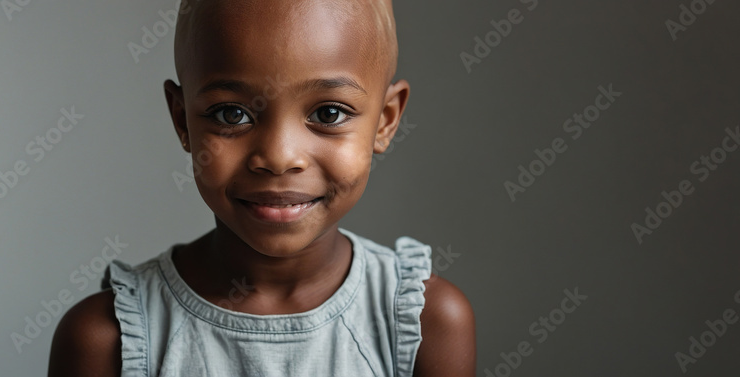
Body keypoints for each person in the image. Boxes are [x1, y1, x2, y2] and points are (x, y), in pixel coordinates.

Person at [48, 0, 475, 375]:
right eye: (231, 114)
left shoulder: (428, 324)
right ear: (182, 121)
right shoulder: (107, 342)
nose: (278, 156)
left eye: (328, 113)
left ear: (385, 120)